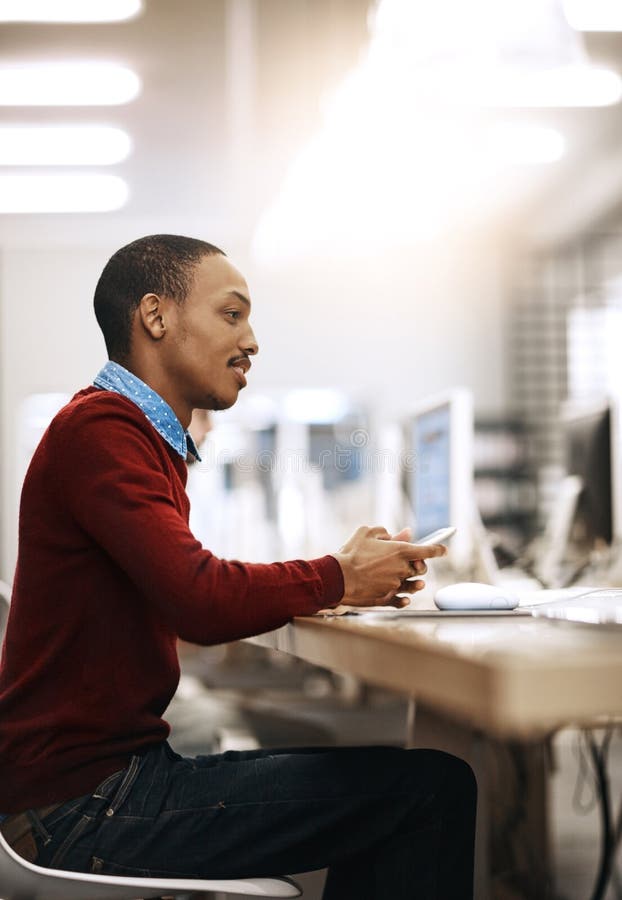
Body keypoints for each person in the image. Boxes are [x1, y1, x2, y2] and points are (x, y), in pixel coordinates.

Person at [0, 235, 476, 898]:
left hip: (92, 789)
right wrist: (339, 575)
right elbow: (200, 600)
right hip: (88, 807)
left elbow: (190, 589)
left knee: (401, 785)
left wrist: (343, 575)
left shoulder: (128, 434)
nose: (251, 341)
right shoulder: (104, 430)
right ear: (156, 317)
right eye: (232, 314)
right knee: (428, 790)